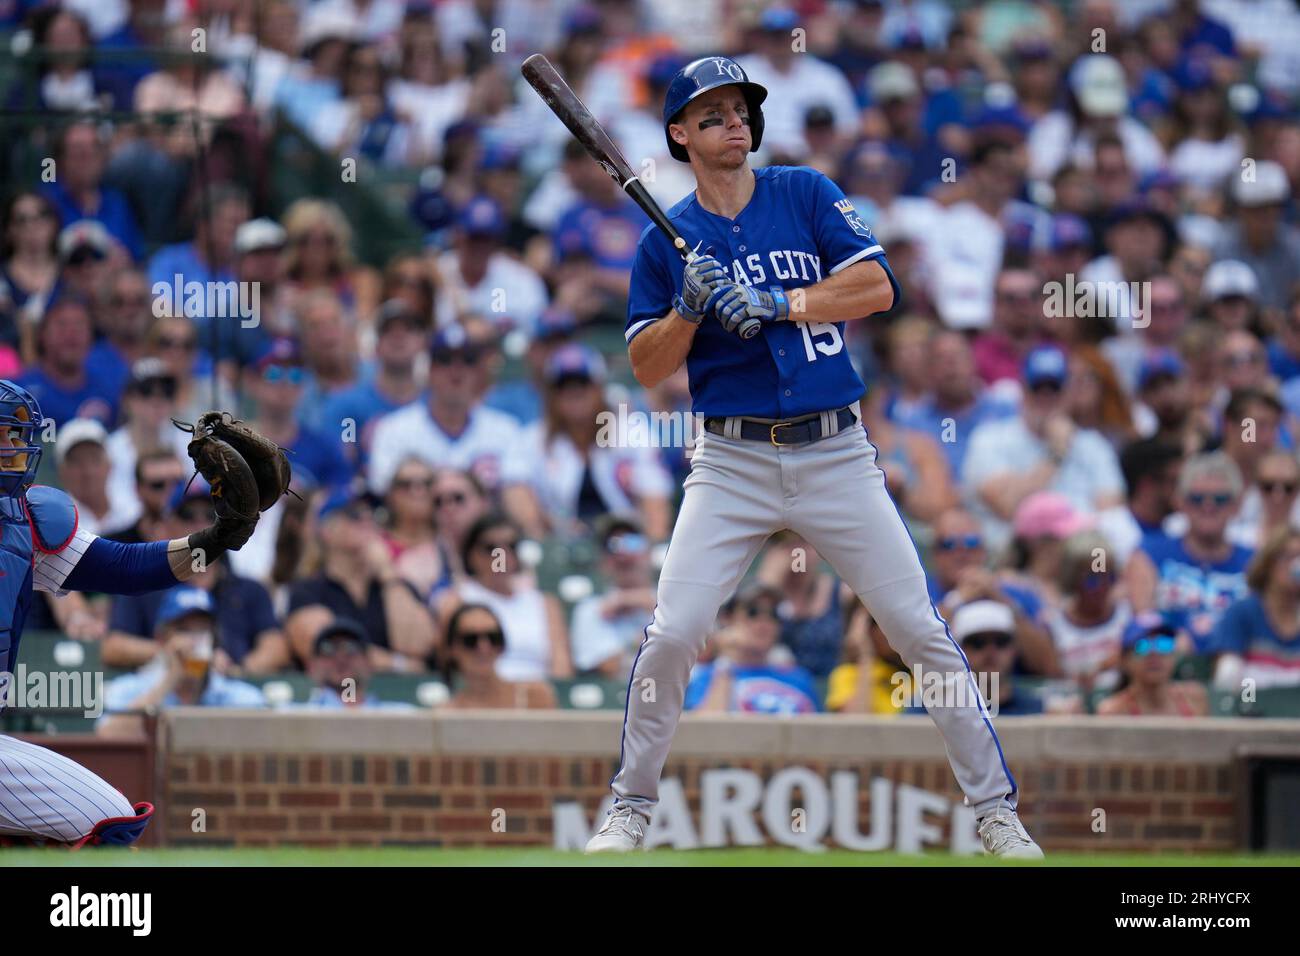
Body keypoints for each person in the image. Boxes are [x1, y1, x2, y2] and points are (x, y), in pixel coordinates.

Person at [586, 56, 1040, 858]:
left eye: (740, 109)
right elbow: (649, 366)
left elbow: (877, 289)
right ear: (679, 135)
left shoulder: (804, 192)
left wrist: (777, 301)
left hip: (837, 450)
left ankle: (995, 811)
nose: (734, 122)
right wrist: (690, 311)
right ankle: (629, 806)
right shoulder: (668, 241)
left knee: (919, 631)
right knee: (672, 633)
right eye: (713, 113)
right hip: (730, 461)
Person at [0, 380, 265, 846]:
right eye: (0, 435)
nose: (12, 448)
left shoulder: (24, 521)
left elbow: (125, 567)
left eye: (17, 436)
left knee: (111, 820)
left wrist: (217, 538)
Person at [104, 478, 289, 675]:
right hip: (165, 690)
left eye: (212, 515)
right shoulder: (141, 585)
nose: (201, 523)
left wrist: (236, 671)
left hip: (231, 696)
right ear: (165, 526)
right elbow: (113, 647)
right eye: (187, 515)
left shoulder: (249, 589)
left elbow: (276, 647)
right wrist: (176, 654)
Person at [962, 344, 1124, 552]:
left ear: (1068, 392)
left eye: (1054, 389)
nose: (1045, 398)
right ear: (1023, 389)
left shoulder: (1093, 444)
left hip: (1079, 556)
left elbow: (1110, 515)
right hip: (1017, 555)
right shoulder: (989, 439)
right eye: (1038, 388)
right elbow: (1008, 506)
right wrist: (1056, 453)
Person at [523, 343, 672, 541]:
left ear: (599, 388)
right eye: (564, 386)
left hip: (626, 540)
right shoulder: (533, 439)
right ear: (551, 395)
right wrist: (542, 544)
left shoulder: (632, 431)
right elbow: (517, 490)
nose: (574, 393)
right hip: (561, 542)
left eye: (582, 383)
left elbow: (655, 499)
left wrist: (652, 546)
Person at [285, 485, 437, 671]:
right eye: (354, 514)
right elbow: (328, 650)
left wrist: (388, 573)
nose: (367, 520)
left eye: (374, 513)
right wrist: (402, 664)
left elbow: (419, 645)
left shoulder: (397, 585)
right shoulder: (307, 590)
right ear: (327, 530)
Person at [1126, 452, 1253, 653]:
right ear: (1180, 502)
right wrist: (1171, 645)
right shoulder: (1149, 554)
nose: (1208, 507)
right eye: (1197, 498)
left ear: (1236, 505)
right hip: (1170, 668)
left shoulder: (1254, 562)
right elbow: (1142, 631)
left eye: (1220, 499)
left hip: (1239, 672)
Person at [98, 585, 266, 738]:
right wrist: (171, 679)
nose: (193, 641)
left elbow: (266, 732)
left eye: (202, 631)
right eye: (183, 631)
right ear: (162, 638)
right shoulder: (132, 688)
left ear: (214, 640)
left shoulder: (236, 695)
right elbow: (108, 734)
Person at [434, 512, 571, 681]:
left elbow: (562, 666)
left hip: (536, 696)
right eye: (492, 548)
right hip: (481, 696)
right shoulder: (456, 601)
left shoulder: (545, 604)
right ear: (472, 554)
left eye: (510, 546)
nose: (501, 556)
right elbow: (448, 662)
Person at [684, 584, 820, 715]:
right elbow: (708, 730)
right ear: (729, 619)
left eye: (773, 614)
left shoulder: (800, 678)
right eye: (753, 612)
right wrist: (727, 658)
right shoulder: (706, 676)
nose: (764, 621)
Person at [1210, 526, 1300, 692]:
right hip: (1253, 713)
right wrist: (1250, 707)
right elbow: (1227, 678)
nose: (1296, 566)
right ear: (1269, 564)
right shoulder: (1243, 613)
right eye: (1289, 557)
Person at [1043, 531, 1130, 696]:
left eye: (1109, 578)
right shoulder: (1052, 623)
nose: (1102, 588)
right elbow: (1052, 673)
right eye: (1093, 580)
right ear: (1072, 579)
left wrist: (1099, 667)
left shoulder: (1127, 616)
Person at [569, 516, 657, 679]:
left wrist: (634, 600)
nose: (623, 553)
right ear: (603, 561)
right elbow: (604, 667)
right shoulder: (590, 610)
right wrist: (641, 642)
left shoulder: (672, 603)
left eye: (633, 542)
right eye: (613, 545)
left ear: (648, 553)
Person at [443, 603, 557, 710]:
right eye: (471, 640)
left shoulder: (535, 697)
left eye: (493, 638)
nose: (484, 647)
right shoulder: (446, 713)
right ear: (453, 648)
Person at [1096, 612, 1209, 717]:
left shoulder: (1195, 699)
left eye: (1163, 644)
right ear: (1125, 659)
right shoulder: (1114, 712)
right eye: (1142, 646)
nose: (1154, 653)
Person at [946, 600, 1046, 717]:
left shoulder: (1038, 711)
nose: (990, 651)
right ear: (958, 650)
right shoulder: (937, 713)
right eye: (977, 643)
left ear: (1014, 648)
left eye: (1001, 641)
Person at [296, 618, 414, 710]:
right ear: (311, 666)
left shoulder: (401, 714)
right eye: (328, 649)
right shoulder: (291, 715)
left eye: (351, 647)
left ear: (369, 663)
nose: (340, 657)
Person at [380, 456, 448, 600]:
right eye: (406, 485)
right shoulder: (376, 546)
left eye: (426, 484)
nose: (417, 491)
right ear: (390, 494)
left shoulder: (452, 542)